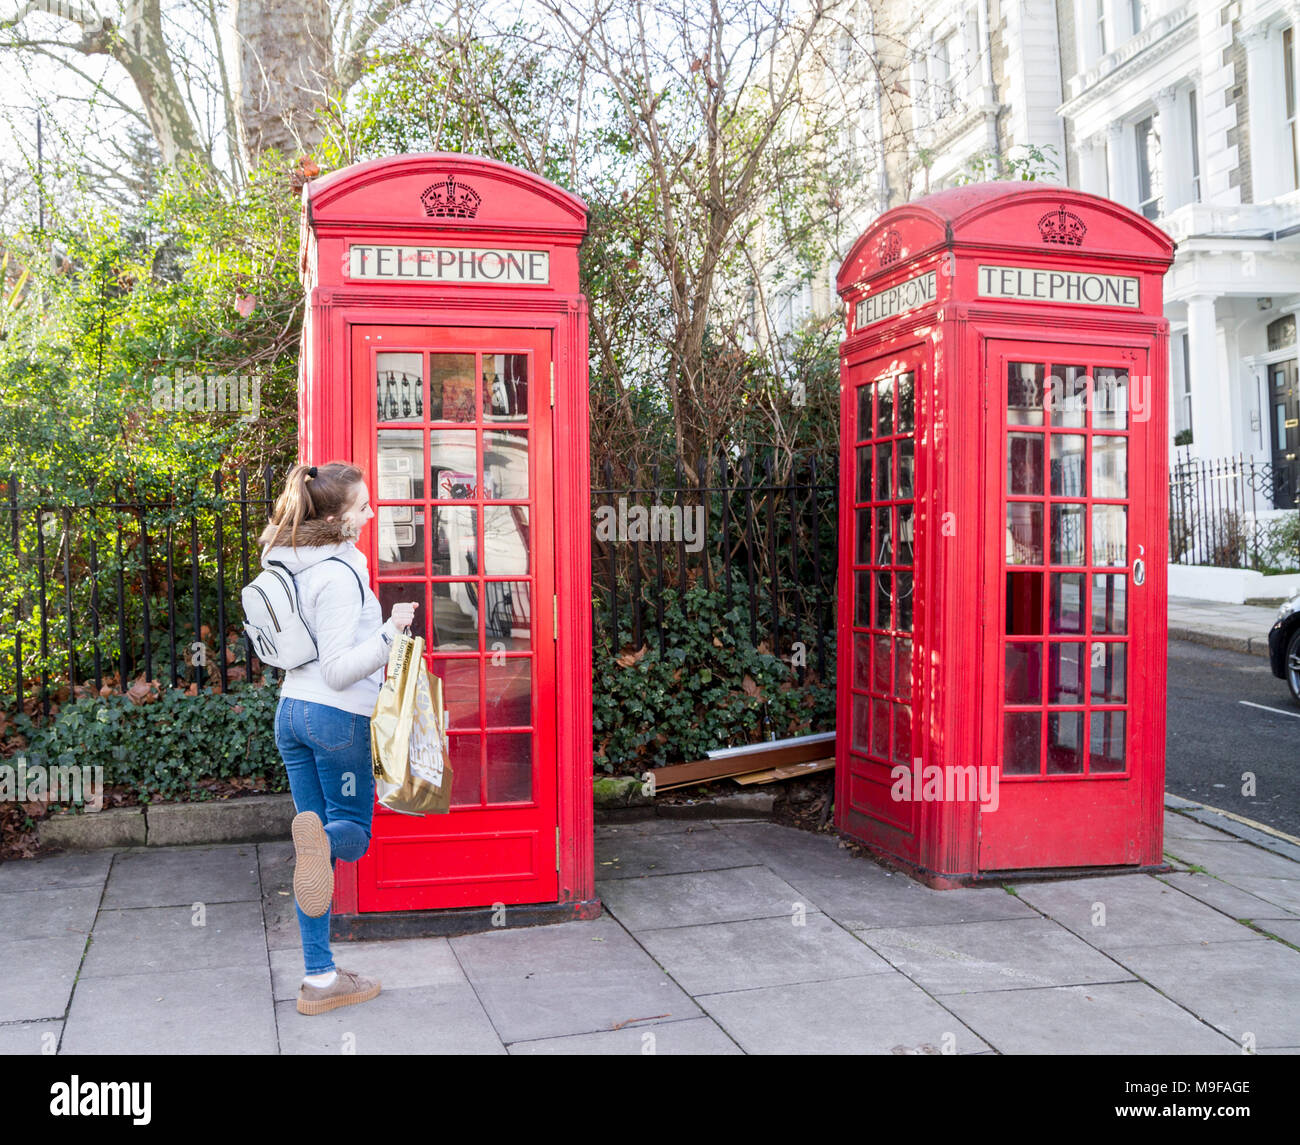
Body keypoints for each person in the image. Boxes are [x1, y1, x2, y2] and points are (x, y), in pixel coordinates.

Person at [257, 461, 417, 1016]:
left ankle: (321, 979)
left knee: (311, 854)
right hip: (334, 717)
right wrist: (391, 631)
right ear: (336, 516)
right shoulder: (339, 573)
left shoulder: (287, 559)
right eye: (362, 507)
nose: (371, 513)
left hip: (291, 714)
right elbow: (338, 669)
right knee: (346, 835)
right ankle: (320, 843)